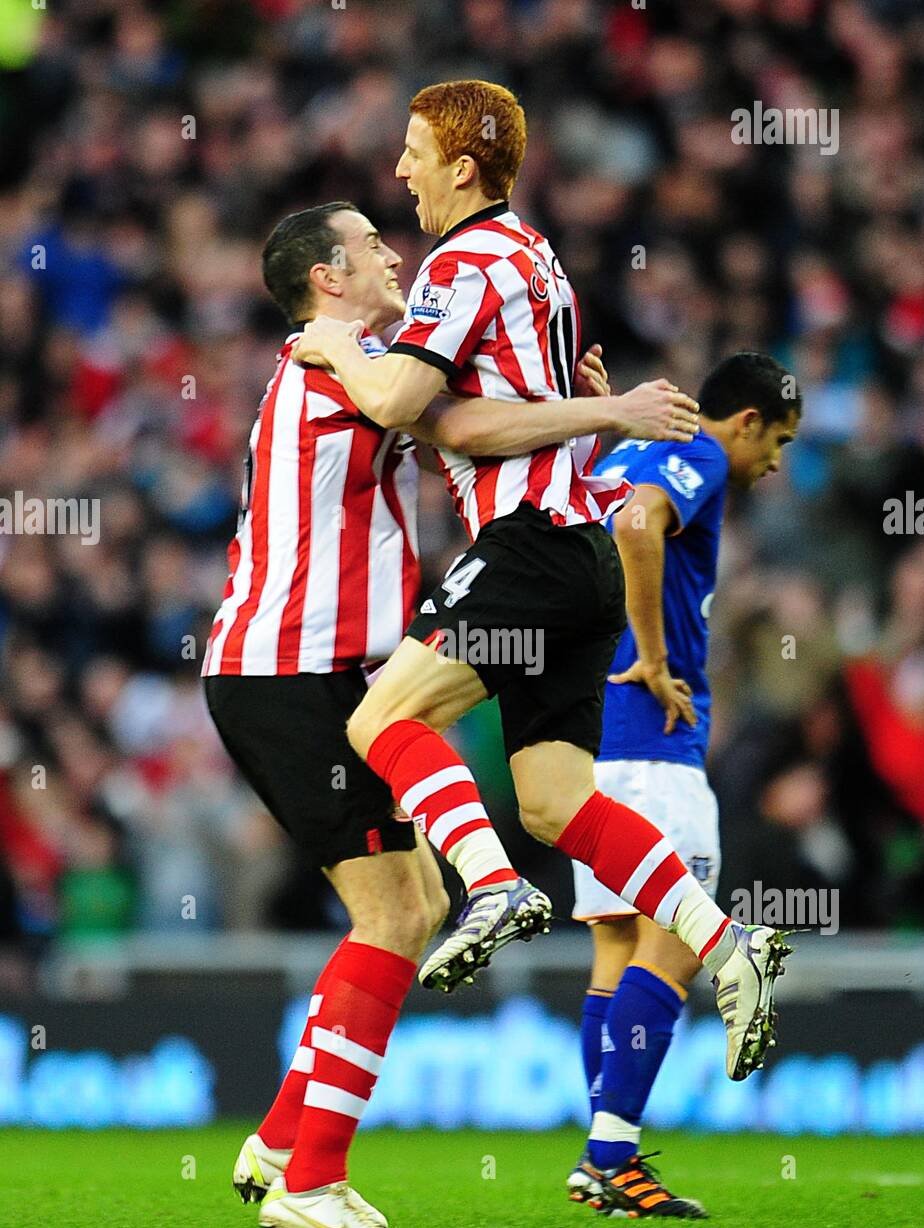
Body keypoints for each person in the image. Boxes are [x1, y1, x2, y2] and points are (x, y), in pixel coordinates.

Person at [293, 84, 790, 1135]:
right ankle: (723, 939)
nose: (401, 172)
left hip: (530, 549)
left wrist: (332, 344)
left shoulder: (464, 263)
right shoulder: (536, 256)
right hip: (584, 567)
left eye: (415, 152)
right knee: (558, 805)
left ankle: (489, 886)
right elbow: (473, 420)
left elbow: (400, 405)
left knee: (380, 720)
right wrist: (580, 406)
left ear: (464, 168)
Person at [206, 200, 696, 1228]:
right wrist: (591, 412)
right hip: (283, 667)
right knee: (397, 912)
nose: (396, 253)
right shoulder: (340, 351)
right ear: (326, 279)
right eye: (370, 245)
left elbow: (481, 429)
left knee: (403, 904)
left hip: (317, 668)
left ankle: (279, 1142)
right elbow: (451, 418)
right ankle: (312, 1178)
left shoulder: (366, 353)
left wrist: (575, 409)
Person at [567, 352, 802, 1219]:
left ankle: (600, 1153)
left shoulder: (625, 445)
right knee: (674, 943)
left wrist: (598, 409)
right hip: (655, 742)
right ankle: (611, 1155)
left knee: (616, 947)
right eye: (775, 441)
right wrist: (656, 659)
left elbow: (607, 507)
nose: (774, 460)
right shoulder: (698, 453)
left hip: (588, 739)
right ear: (742, 422)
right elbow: (635, 527)